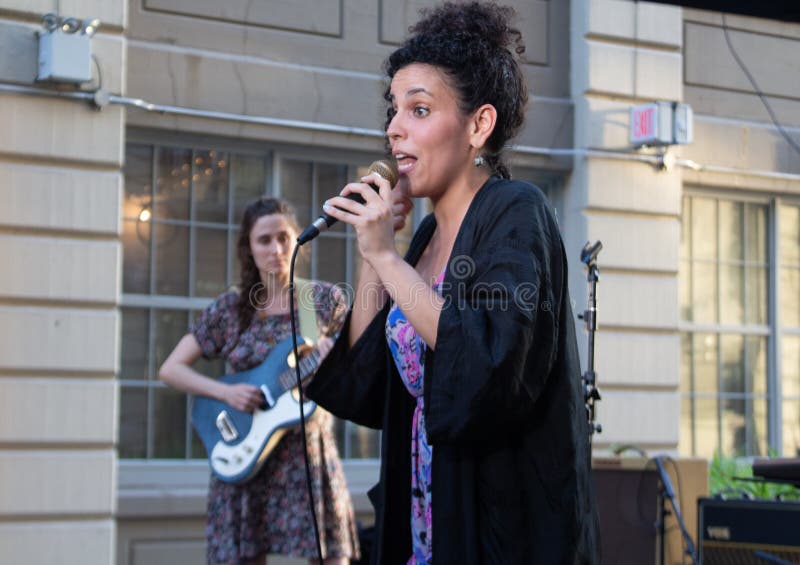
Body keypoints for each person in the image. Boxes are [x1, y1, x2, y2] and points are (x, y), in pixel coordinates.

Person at [304, 2, 600, 564]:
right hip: (423, 517)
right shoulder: (421, 239)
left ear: (479, 124)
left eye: (418, 109)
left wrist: (388, 260)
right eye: (393, 110)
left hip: (498, 525)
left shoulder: (517, 213)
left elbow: (490, 358)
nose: (394, 127)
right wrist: (378, 251)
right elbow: (368, 376)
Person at [159, 197, 360, 565]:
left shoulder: (319, 301)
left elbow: (359, 367)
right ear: (248, 248)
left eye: (284, 237)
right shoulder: (233, 309)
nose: (276, 249)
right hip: (245, 449)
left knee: (331, 557)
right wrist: (227, 392)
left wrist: (335, 360)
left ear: (297, 239)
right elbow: (171, 368)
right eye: (264, 240)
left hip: (307, 453)